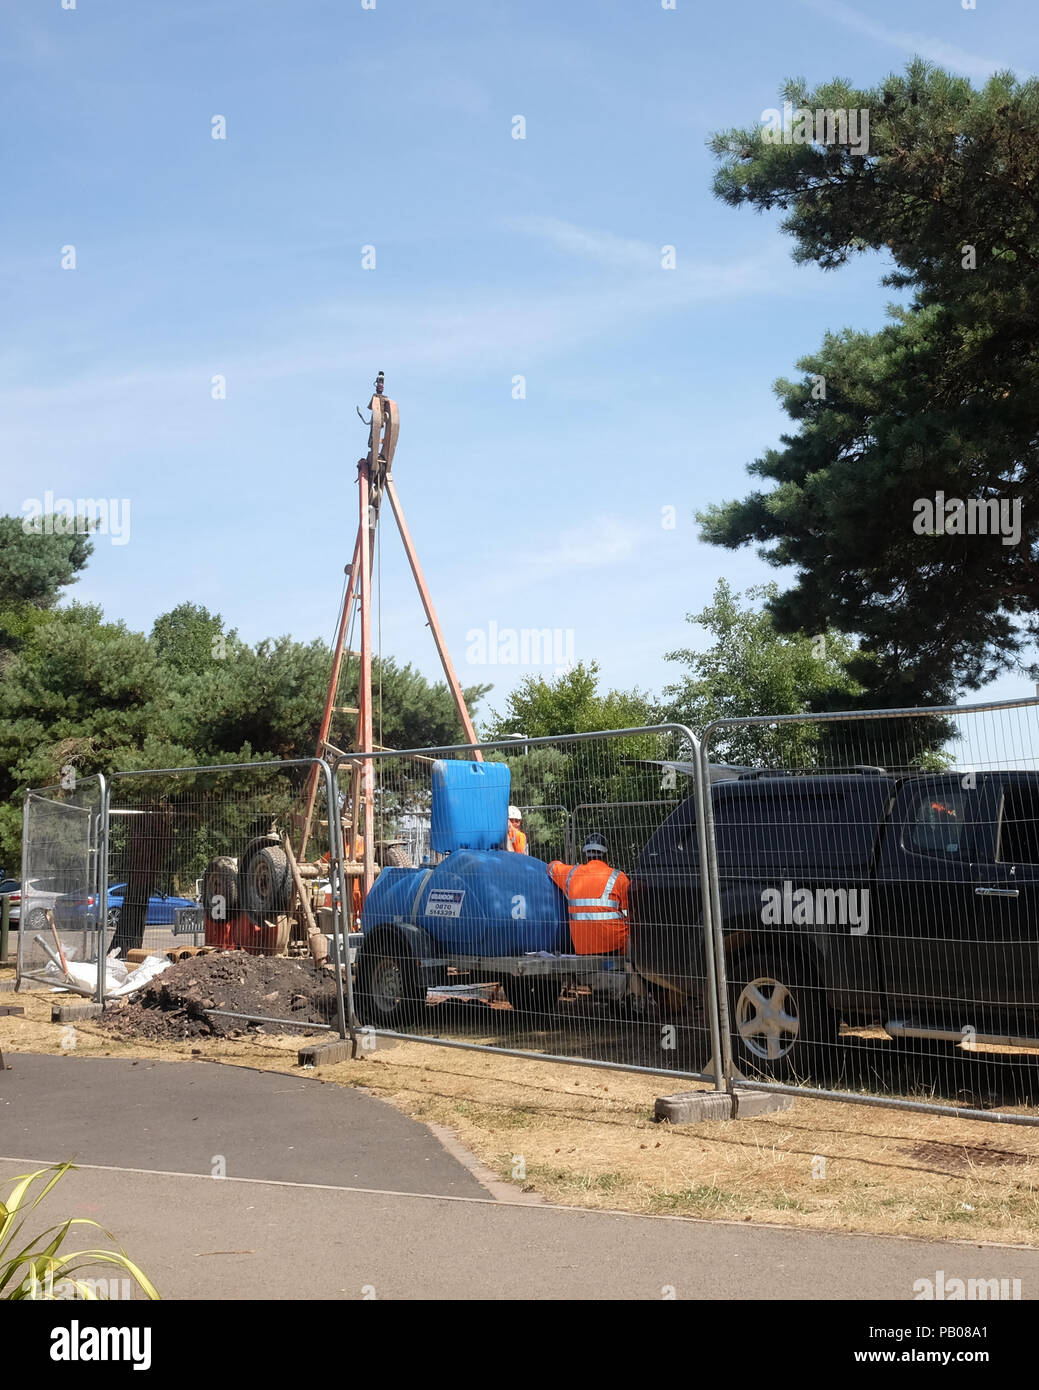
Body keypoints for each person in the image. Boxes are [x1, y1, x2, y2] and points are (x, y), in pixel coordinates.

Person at [546, 833, 630, 955]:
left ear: (585, 855)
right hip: (615, 946)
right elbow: (630, 916)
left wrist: (557, 862)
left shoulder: (570, 874)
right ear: (606, 855)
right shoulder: (619, 877)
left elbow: (551, 866)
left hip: (583, 948)